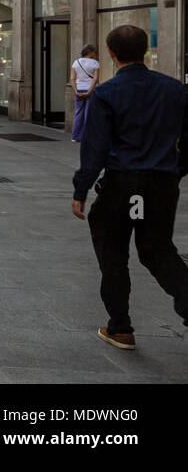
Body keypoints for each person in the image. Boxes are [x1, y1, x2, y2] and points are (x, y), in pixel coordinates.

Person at [72, 25, 188, 350]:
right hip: (161, 185)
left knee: (113, 257)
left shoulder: (106, 94)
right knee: (159, 252)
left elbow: (94, 149)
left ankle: (120, 328)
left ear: (110, 54)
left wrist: (81, 190)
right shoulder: (175, 90)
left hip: (122, 185)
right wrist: (175, 171)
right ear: (146, 52)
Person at [70, 44, 101, 142]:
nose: (95, 54)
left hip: (79, 89)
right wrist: (89, 91)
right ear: (90, 52)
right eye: (94, 52)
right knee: (89, 113)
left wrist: (76, 91)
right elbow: (96, 79)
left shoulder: (76, 62)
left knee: (78, 113)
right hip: (90, 90)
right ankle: (88, 136)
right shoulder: (95, 63)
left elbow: (72, 78)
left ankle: (75, 136)